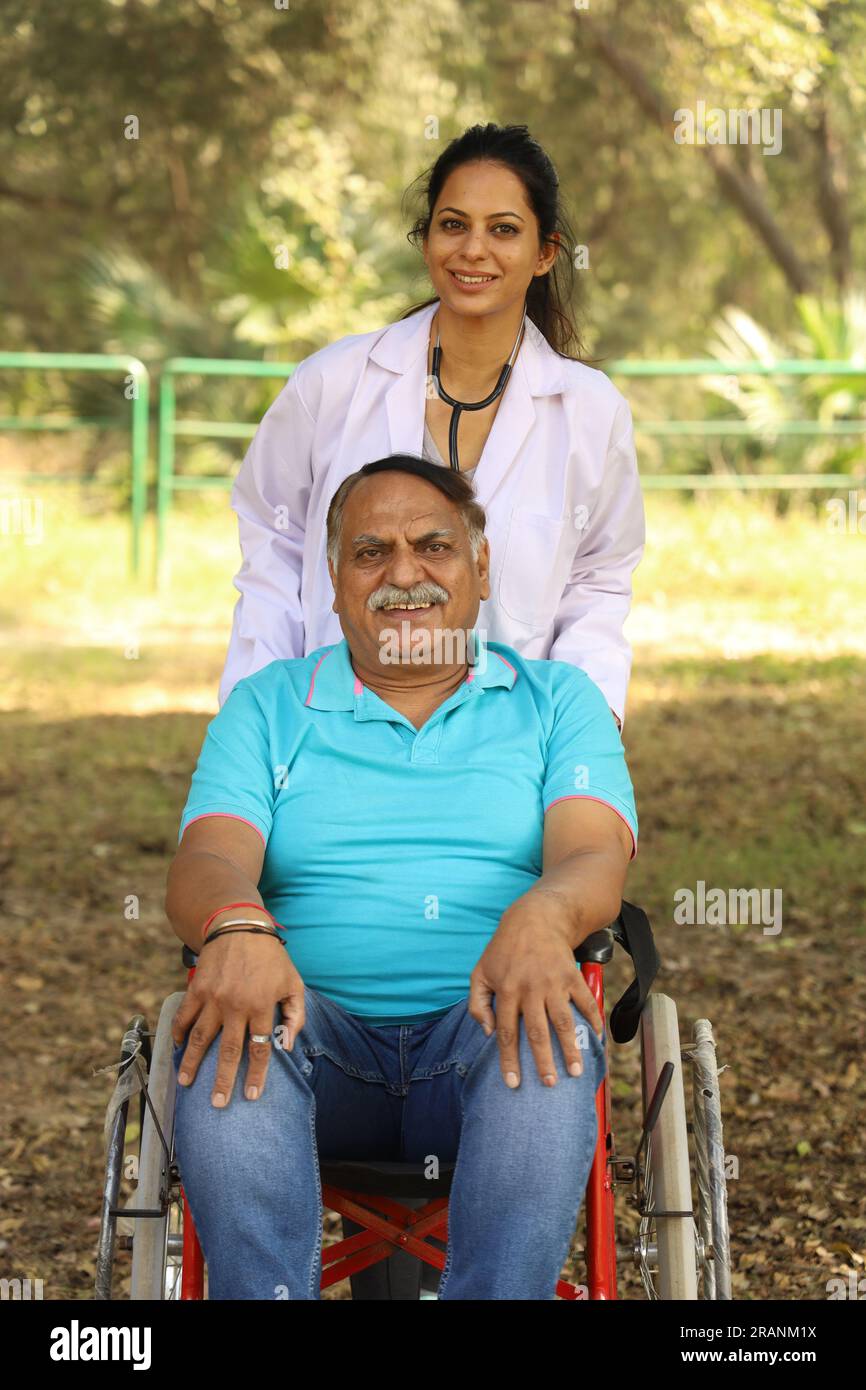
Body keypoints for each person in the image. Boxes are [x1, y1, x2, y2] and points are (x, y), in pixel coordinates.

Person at [166, 458, 638, 1300]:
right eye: (370, 552)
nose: (404, 574)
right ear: (336, 582)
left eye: (433, 546)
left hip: (487, 1026)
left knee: (549, 1042)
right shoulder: (268, 705)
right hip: (309, 1031)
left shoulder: (557, 702)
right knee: (230, 1044)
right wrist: (237, 924)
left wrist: (544, 916)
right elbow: (208, 859)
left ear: (482, 567)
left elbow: (591, 854)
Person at [218, 122, 644, 730]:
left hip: (508, 743)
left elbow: (599, 579)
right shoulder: (331, 383)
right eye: (453, 225)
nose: (474, 249)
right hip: (333, 728)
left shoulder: (589, 411)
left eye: (503, 230)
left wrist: (589, 724)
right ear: (426, 241)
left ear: (546, 253)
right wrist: (254, 712)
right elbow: (271, 542)